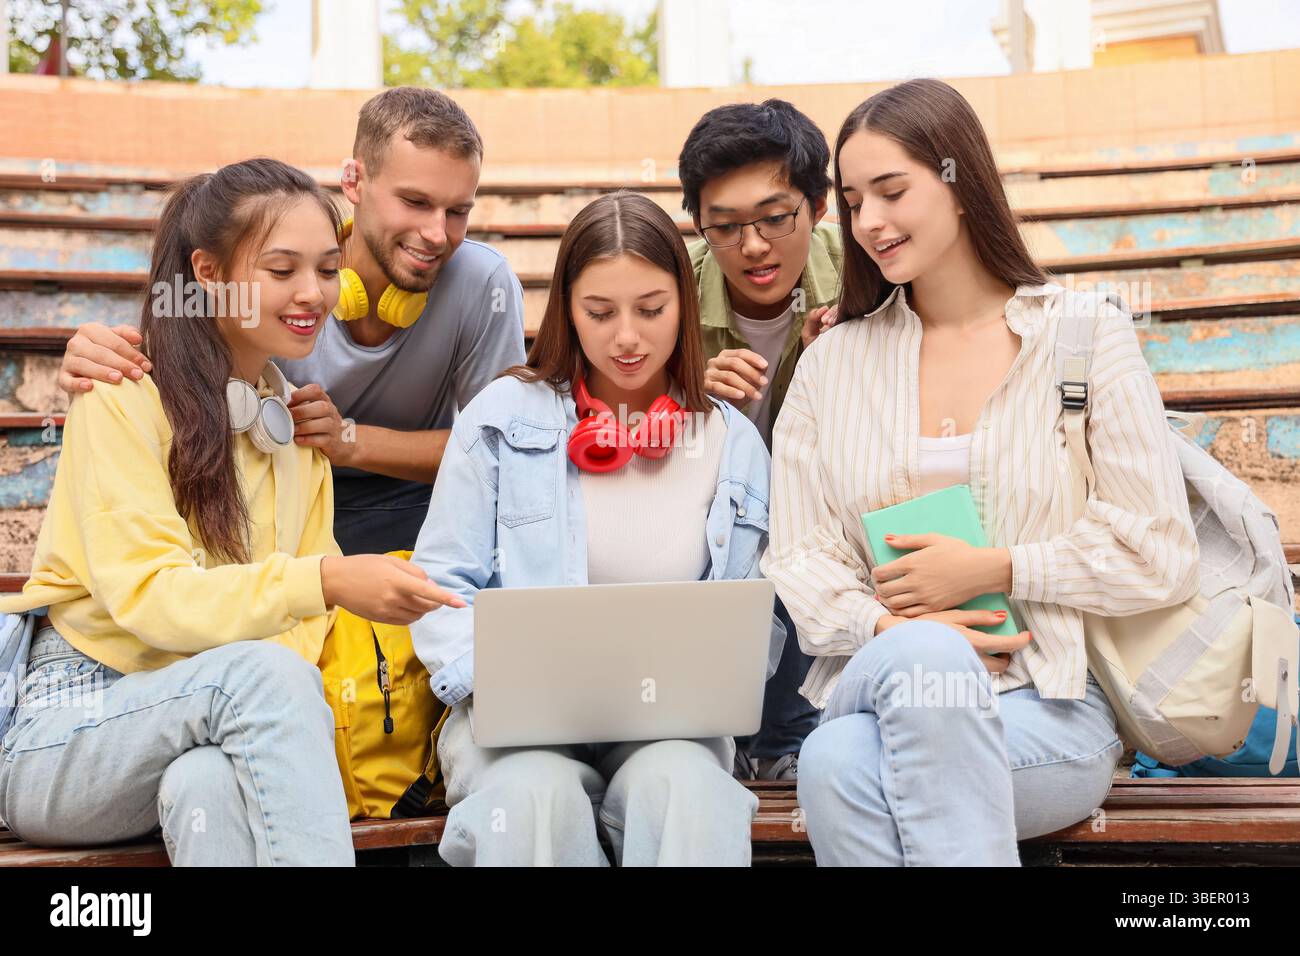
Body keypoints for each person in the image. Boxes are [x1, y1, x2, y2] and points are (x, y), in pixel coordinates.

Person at [762, 79, 1200, 865]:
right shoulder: (831, 364)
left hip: (1050, 707)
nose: (869, 223)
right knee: (923, 660)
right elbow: (798, 555)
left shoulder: (1085, 336)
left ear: (961, 181)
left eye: (891, 191)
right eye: (854, 200)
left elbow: (1160, 552)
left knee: (835, 766)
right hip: (879, 677)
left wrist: (999, 566)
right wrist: (892, 627)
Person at [0, 159, 462, 866]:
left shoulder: (291, 432)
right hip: (73, 733)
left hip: (212, 721)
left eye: (328, 269)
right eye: (282, 271)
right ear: (209, 274)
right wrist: (328, 580)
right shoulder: (124, 396)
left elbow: (301, 638)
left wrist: (316, 597)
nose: (314, 293)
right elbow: (149, 598)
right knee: (266, 679)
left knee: (210, 784)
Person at [409, 191, 784, 866]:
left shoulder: (732, 442)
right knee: (530, 797)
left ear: (685, 303)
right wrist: (500, 683)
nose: (628, 337)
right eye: (599, 312)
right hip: (515, 733)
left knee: (689, 790)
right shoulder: (500, 416)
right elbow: (437, 584)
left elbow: (756, 623)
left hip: (671, 731)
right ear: (567, 310)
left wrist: (716, 682)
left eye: (651, 308)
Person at [54, 87, 526, 555]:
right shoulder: (270, 280)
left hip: (418, 506)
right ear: (353, 182)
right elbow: (178, 327)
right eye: (415, 202)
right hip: (275, 500)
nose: (436, 234)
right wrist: (96, 349)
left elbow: (498, 449)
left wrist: (350, 440)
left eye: (458, 211)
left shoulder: (485, 282)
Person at [677, 99, 839, 780]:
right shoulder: (671, 289)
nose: (752, 245)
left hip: (830, 521)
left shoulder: (872, 279)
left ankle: (788, 742)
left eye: (776, 218)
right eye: (725, 226)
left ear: (820, 205)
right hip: (710, 523)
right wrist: (687, 397)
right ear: (699, 225)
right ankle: (720, 734)